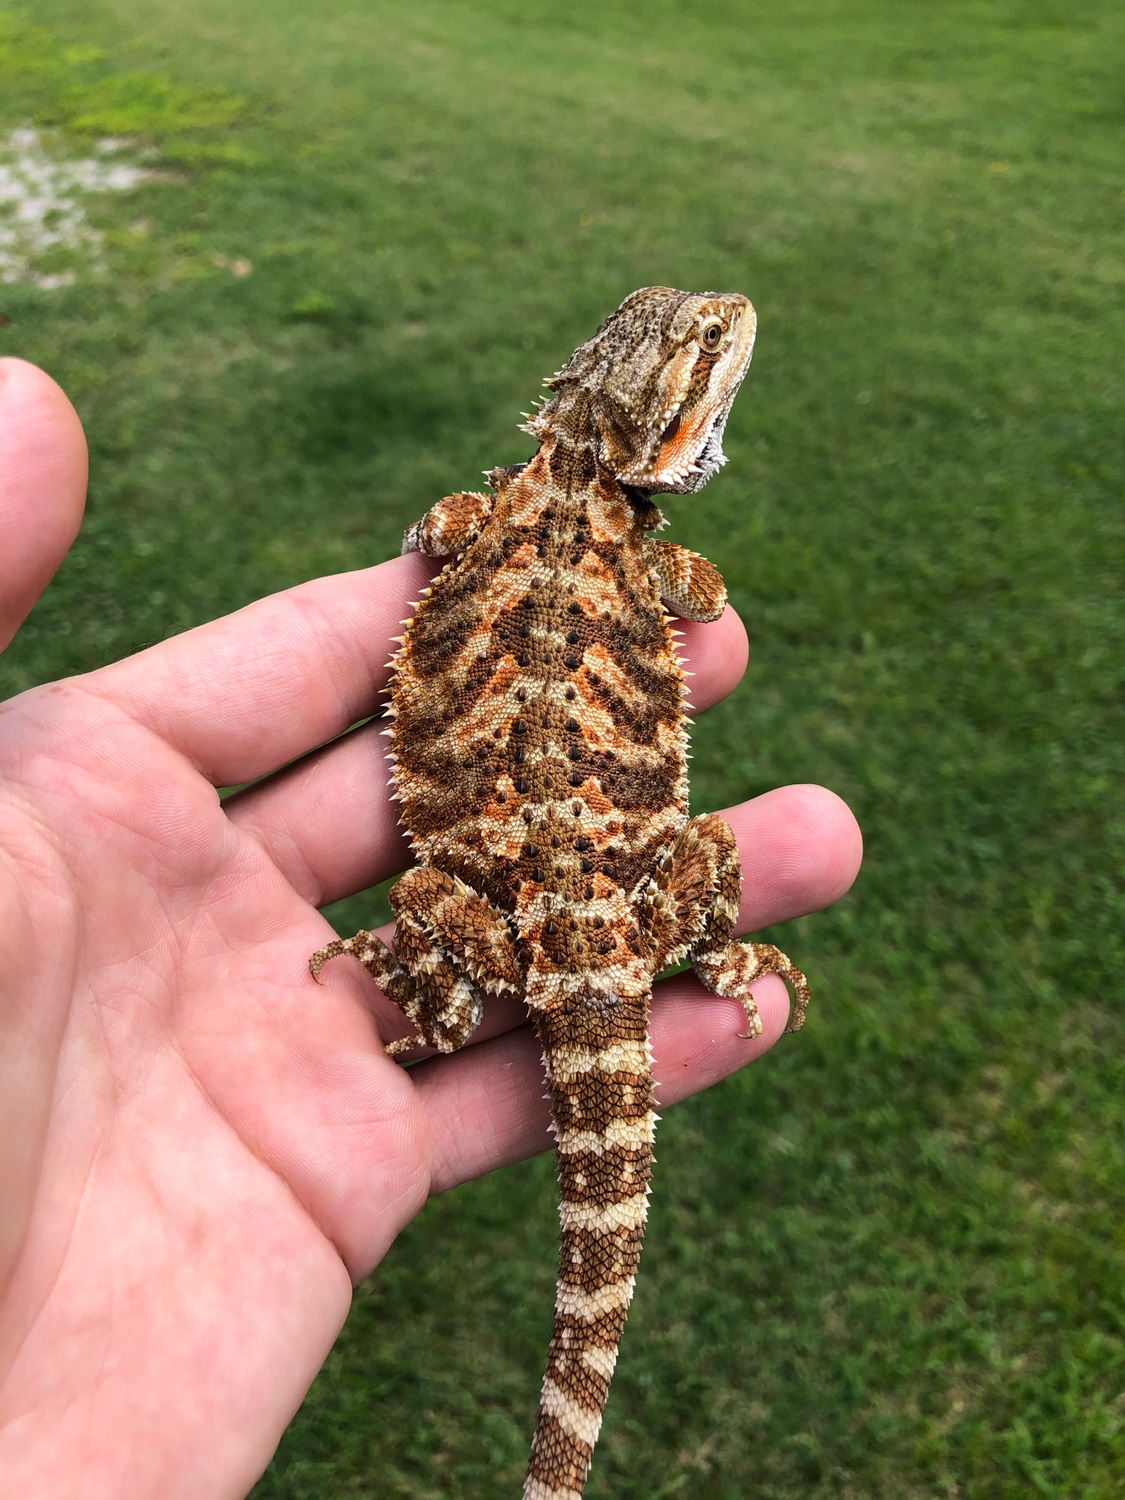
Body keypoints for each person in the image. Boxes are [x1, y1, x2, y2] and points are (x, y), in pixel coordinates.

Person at [0, 356, 862, 1497]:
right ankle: (713, 952)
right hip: (633, 915)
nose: (722, 350)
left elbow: (432, 531)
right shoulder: (651, 559)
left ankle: (446, 1005)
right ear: (655, 430)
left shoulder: (478, 516)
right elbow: (704, 599)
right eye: (697, 356)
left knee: (419, 907)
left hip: (506, 921)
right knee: (704, 862)